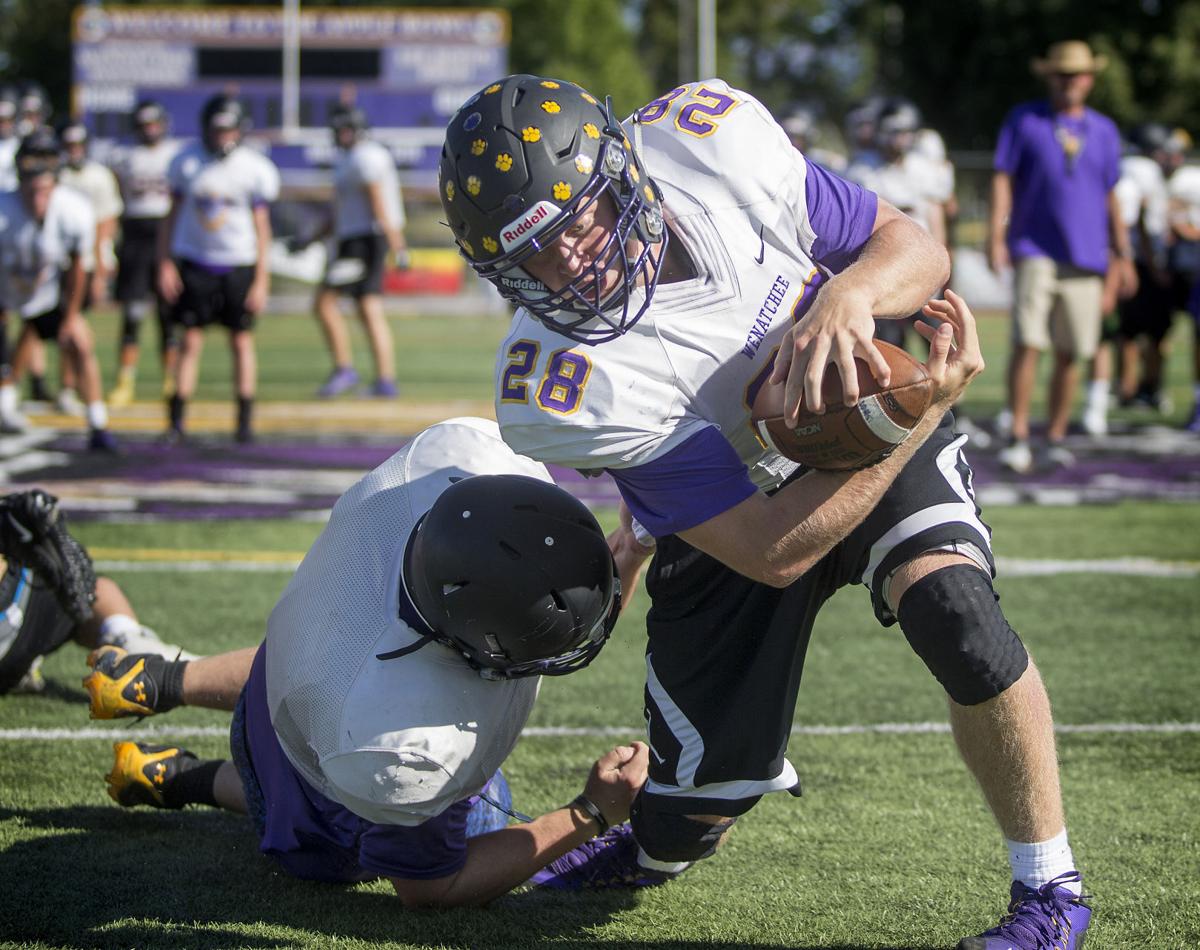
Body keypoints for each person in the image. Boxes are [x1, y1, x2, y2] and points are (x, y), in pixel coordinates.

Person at [438, 73, 1091, 948]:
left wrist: (849, 296)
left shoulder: (710, 141)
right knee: (685, 818)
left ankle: (1050, 888)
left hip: (858, 417)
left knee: (957, 612)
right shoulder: (561, 386)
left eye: (576, 223)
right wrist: (926, 409)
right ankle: (654, 839)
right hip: (742, 512)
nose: (566, 266)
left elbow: (913, 245)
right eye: (530, 258)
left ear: (621, 172)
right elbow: (768, 549)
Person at [85, 416, 681, 902]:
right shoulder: (404, 747)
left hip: (272, 690)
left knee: (328, 648)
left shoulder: (451, 469)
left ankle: (166, 680)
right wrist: (588, 814)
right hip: (324, 777)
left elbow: (518, 581)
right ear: (481, 649)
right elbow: (429, 886)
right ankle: (178, 774)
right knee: (345, 816)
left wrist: (626, 552)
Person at [988, 40, 1135, 473]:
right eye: (1062, 74)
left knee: (1073, 351)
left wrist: (1123, 253)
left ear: (1091, 79)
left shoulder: (1105, 130)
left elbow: (1111, 195)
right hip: (1035, 248)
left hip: (1087, 254)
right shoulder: (1024, 119)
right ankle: (1017, 435)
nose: (1070, 82)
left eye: (1078, 74)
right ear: (1049, 77)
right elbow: (1002, 178)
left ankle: (1053, 436)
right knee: (1028, 341)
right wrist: (997, 234)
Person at [158, 94, 278, 444]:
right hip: (196, 262)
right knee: (190, 341)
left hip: (238, 263)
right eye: (217, 129)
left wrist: (261, 278)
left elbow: (262, 227)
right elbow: (170, 217)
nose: (223, 135)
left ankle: (244, 421)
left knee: (241, 341)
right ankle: (177, 420)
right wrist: (164, 262)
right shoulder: (186, 162)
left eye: (229, 129)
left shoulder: (253, 167)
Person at [0, 488, 192, 695]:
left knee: (79, 592)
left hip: (15, 612)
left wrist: (125, 636)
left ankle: (133, 644)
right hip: (10, 629)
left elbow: (91, 595)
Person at [0, 128, 117, 449]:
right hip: (5, 288)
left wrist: (72, 313)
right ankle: (5, 403)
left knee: (79, 340)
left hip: (47, 291)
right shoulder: (3, 207)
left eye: (44, 191)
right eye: (31, 190)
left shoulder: (73, 209)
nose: (37, 198)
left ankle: (98, 422)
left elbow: (80, 264)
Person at [310, 103, 408, 399]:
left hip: (363, 241)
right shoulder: (352, 157)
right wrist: (311, 237)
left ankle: (344, 369)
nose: (341, 135)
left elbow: (377, 202)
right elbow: (340, 211)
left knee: (325, 303)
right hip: (359, 238)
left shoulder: (365, 157)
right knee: (368, 308)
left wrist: (397, 244)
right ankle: (385, 380)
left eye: (346, 129)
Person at [845, 99, 950, 349]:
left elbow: (935, 215)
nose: (900, 139)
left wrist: (943, 255)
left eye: (905, 132)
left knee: (939, 342)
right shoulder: (863, 170)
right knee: (889, 346)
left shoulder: (923, 168)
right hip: (883, 267)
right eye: (894, 132)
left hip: (922, 263)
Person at [105, 100, 182, 408]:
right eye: (144, 125)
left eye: (154, 124)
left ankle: (171, 381)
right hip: (135, 237)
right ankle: (126, 381)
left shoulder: (176, 155)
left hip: (166, 237)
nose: (150, 130)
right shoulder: (123, 156)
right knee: (133, 315)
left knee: (168, 316)